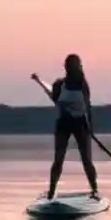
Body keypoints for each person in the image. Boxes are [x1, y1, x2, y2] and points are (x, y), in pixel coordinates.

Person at [39, 54, 98, 200]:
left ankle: (95, 190)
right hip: (63, 124)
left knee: (87, 160)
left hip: (80, 124)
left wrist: (91, 128)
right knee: (58, 159)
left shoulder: (83, 85)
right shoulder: (59, 85)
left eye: (73, 65)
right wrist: (40, 82)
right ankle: (51, 192)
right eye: (69, 65)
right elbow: (54, 98)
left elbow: (87, 106)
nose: (71, 68)